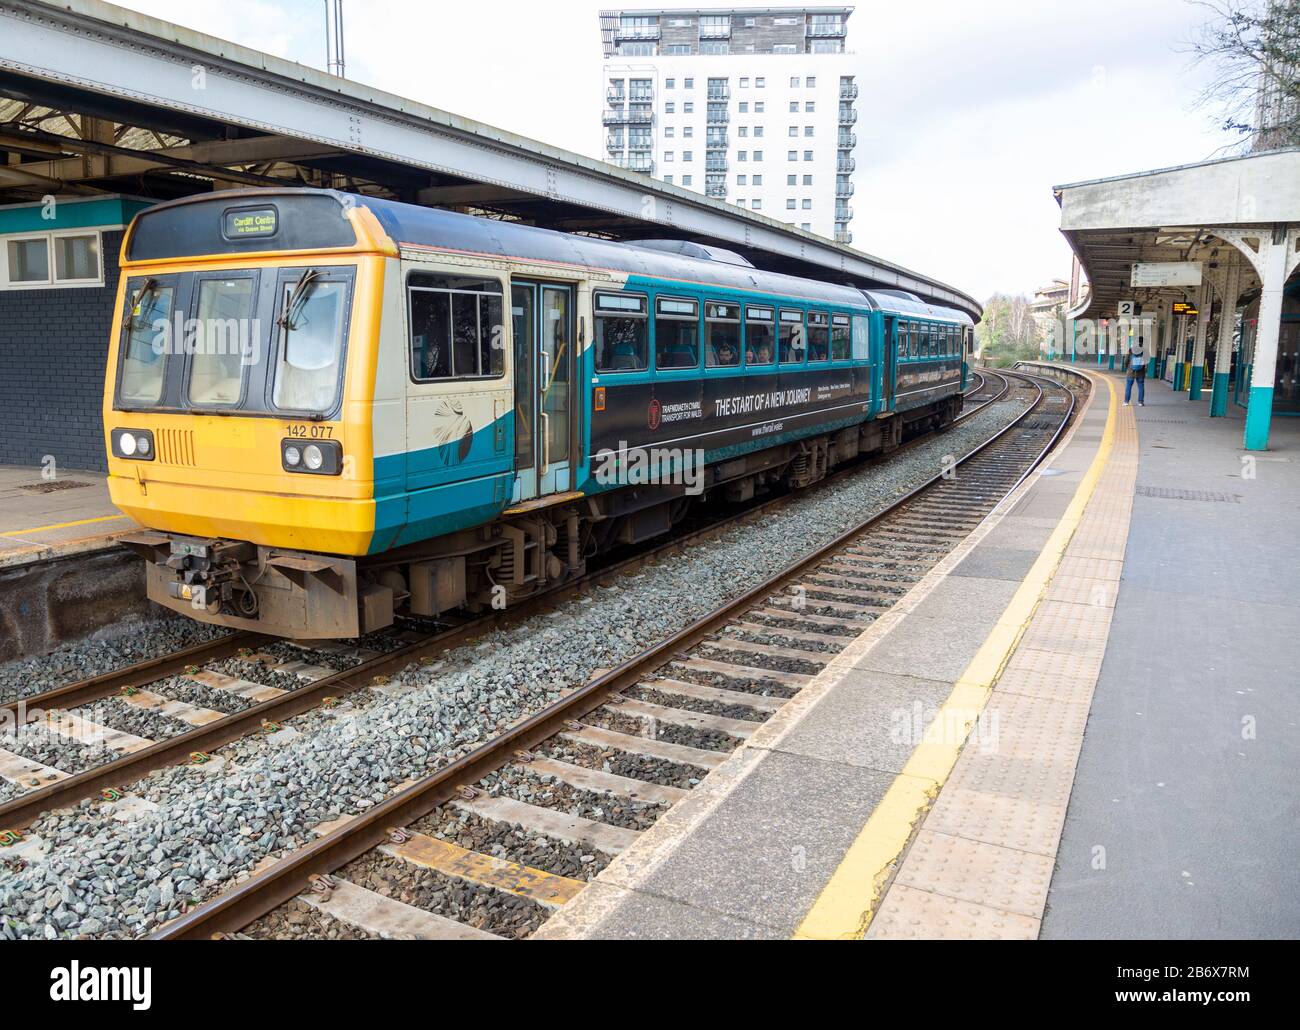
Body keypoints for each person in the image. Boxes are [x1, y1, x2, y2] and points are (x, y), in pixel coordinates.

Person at [1125, 335, 1147, 406]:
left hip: (1131, 371)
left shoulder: (1131, 350)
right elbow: (1146, 361)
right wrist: (1144, 369)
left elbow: (1126, 360)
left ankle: (1126, 402)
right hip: (1141, 372)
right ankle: (1140, 402)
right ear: (1142, 342)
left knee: (1128, 386)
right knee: (1141, 386)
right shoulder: (1144, 350)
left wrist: (1127, 367)